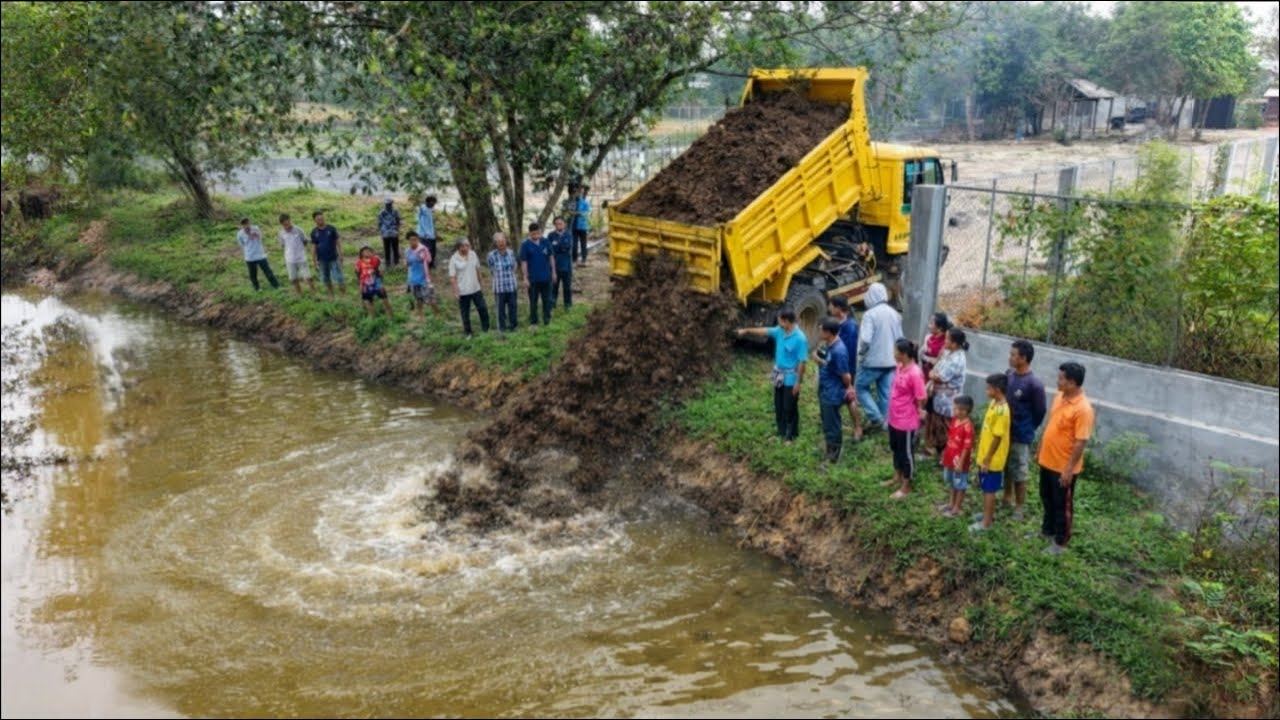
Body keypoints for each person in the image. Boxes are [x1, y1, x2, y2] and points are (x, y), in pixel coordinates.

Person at [1037, 362, 1094, 556]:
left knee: (1062, 504)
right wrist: (1040, 447)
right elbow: (1051, 424)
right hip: (1048, 459)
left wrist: (1069, 469)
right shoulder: (1059, 396)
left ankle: (1061, 542)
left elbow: (1080, 442)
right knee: (1046, 497)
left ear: (1072, 383)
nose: (1057, 380)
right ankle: (1047, 530)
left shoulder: (1083, 409)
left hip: (1063, 466)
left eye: (1061, 378)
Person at [734, 308, 808, 443]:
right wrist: (746, 331)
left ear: (786, 321)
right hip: (779, 375)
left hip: (791, 378)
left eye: (780, 320)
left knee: (789, 407)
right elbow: (763, 331)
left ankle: (791, 436)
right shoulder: (780, 331)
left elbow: (802, 363)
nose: (778, 323)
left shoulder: (800, 339)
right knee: (778, 405)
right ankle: (781, 432)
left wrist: (798, 382)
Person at [1003, 339, 1048, 519]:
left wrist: (1028, 427)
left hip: (1021, 435)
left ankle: (1019, 507)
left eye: (1013, 355)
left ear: (1023, 358)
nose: (1010, 357)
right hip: (1004, 432)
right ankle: (1006, 497)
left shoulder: (1034, 384)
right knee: (1005, 466)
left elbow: (1040, 411)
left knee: (1019, 471)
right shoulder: (1009, 375)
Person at [856, 282, 903, 433]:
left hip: (872, 361)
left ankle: (877, 419)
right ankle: (886, 423)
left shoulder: (870, 314)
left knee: (860, 387)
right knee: (885, 392)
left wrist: (861, 355)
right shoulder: (894, 313)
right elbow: (900, 338)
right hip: (891, 361)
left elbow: (865, 340)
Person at [884, 338, 926, 499]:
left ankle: (906, 485)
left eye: (896, 352)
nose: (894, 354)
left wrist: (918, 411)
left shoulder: (915, 373)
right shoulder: (900, 367)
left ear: (904, 354)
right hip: (894, 416)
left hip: (906, 420)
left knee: (906, 453)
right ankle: (897, 476)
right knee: (895, 448)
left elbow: (920, 397)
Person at [971, 373, 1010, 532]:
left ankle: (986, 523)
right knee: (985, 486)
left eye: (989, 388)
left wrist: (987, 459)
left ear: (998, 389)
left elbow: (997, 438)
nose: (986, 390)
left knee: (989, 489)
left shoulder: (1002, 411)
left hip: (992, 459)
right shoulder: (994, 403)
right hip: (985, 454)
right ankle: (986, 513)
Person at [814, 317, 853, 464]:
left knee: (832, 424)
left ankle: (833, 456)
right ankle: (829, 449)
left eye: (821, 329)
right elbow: (829, 364)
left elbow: (846, 376)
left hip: (833, 393)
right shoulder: (830, 345)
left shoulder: (839, 351)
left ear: (828, 332)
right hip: (826, 390)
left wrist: (847, 388)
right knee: (827, 421)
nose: (819, 331)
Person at [926, 327, 969, 456]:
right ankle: (936, 449)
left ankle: (947, 454)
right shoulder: (948, 352)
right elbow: (937, 365)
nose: (944, 341)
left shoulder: (957, 359)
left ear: (955, 343)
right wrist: (933, 373)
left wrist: (932, 375)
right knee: (936, 421)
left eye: (947, 339)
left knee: (946, 425)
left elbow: (940, 377)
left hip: (948, 398)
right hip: (940, 396)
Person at [828, 296, 862, 442]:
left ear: (838, 309)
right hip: (835, 367)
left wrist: (846, 371)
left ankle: (857, 428)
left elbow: (849, 351)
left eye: (831, 305)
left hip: (845, 368)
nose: (829, 308)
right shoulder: (840, 324)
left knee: (849, 397)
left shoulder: (850, 326)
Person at [920, 312, 952, 456]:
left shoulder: (946, 343)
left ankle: (942, 445)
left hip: (938, 384)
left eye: (932, 323)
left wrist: (927, 358)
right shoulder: (929, 338)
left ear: (939, 328)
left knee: (938, 415)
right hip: (927, 380)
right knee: (929, 412)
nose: (929, 325)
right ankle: (930, 443)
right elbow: (922, 356)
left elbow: (939, 362)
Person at [940, 395, 975, 518]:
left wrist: (960, 463)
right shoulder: (955, 420)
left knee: (960, 484)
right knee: (951, 482)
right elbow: (950, 438)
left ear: (968, 410)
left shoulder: (968, 427)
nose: (957, 412)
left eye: (961, 410)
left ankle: (957, 507)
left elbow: (966, 447)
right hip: (950, 458)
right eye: (956, 409)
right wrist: (945, 453)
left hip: (959, 462)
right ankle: (951, 503)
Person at [448, 238, 490, 338]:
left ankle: (486, 329)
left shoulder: (473, 254)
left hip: (475, 288)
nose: (466, 248)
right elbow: (452, 277)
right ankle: (468, 333)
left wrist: (481, 283)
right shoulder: (454, 259)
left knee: (482, 308)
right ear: (458, 247)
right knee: (465, 313)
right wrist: (456, 291)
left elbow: (478, 269)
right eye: (463, 246)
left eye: (467, 245)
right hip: (463, 291)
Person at [519, 222, 555, 327]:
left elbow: (551, 257)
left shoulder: (546, 242)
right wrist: (525, 277)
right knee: (533, 301)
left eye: (537, 233)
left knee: (547, 300)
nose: (536, 235)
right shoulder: (525, 245)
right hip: (533, 279)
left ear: (540, 231)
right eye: (533, 234)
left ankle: (547, 320)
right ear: (530, 233)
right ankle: (534, 322)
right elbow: (523, 262)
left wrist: (553, 272)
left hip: (546, 277)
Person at [405, 232, 442, 320]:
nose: (413, 242)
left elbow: (429, 260)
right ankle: (421, 316)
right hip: (413, 279)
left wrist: (422, 256)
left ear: (418, 240)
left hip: (424, 278)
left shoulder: (423, 249)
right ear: (408, 241)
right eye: (411, 240)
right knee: (418, 299)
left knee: (429, 297)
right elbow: (407, 264)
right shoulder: (407, 251)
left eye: (415, 239)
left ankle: (438, 314)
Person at [236, 217, 280, 291]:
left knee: (268, 271)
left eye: (247, 223)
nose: (247, 226)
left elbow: (261, 238)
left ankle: (276, 286)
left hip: (260, 255)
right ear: (242, 225)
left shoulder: (255, 228)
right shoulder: (240, 234)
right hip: (249, 257)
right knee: (253, 274)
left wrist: (256, 235)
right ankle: (257, 288)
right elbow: (241, 244)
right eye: (244, 224)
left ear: (249, 223)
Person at [487, 232, 519, 333]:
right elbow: (491, 269)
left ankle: (513, 327)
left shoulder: (511, 252)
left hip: (511, 285)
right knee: (500, 310)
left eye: (503, 241)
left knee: (513, 308)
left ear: (506, 241)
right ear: (495, 243)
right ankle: (501, 329)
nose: (501, 243)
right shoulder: (491, 255)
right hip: (499, 287)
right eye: (498, 241)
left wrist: (514, 271)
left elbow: (515, 265)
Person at [278, 213, 315, 296]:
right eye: (284, 224)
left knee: (307, 276)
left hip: (301, 258)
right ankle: (299, 293)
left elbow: (305, 241)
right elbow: (282, 245)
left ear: (290, 220)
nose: (287, 225)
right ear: (282, 224)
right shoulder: (281, 233)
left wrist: (301, 250)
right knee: (293, 278)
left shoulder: (298, 230)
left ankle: (313, 292)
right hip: (289, 259)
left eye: (288, 223)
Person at [310, 211, 344, 297]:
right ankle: (331, 295)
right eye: (318, 219)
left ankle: (343, 295)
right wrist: (314, 261)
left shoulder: (331, 228)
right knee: (326, 279)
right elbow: (314, 247)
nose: (321, 220)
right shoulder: (314, 232)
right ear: (315, 220)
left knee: (339, 278)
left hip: (333, 258)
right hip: (322, 260)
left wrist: (341, 254)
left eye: (322, 218)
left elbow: (338, 242)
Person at [354, 245, 394, 318]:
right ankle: (373, 317)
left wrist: (381, 277)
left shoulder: (375, 259)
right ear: (361, 253)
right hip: (365, 284)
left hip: (376, 282)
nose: (367, 252)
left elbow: (379, 269)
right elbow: (357, 273)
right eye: (365, 251)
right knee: (368, 302)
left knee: (384, 299)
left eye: (369, 251)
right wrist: (360, 284)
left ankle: (391, 316)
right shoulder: (359, 262)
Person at [547, 216, 574, 310]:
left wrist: (557, 245)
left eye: (560, 223)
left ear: (565, 224)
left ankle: (568, 305)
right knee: (554, 287)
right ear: (554, 225)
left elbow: (568, 247)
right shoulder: (550, 235)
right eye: (556, 224)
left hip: (566, 266)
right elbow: (550, 250)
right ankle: (552, 304)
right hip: (554, 266)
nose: (558, 225)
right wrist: (560, 246)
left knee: (567, 287)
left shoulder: (569, 234)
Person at [377, 197, 401, 267]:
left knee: (395, 248)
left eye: (390, 204)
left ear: (392, 204)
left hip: (394, 232)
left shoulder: (396, 211)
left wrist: (397, 229)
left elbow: (398, 221)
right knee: (386, 248)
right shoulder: (382, 213)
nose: (388, 206)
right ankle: (388, 262)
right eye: (387, 204)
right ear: (385, 204)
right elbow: (379, 223)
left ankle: (396, 262)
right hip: (386, 233)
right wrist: (381, 231)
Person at [416, 195, 438, 270]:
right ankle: (426, 264)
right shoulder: (422, 209)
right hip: (424, 234)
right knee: (426, 249)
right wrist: (425, 233)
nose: (433, 205)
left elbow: (432, 222)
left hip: (431, 233)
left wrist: (435, 232)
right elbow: (420, 222)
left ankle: (431, 263)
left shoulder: (431, 209)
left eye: (434, 203)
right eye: (432, 203)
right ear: (428, 202)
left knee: (433, 249)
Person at [571, 186, 590, 266]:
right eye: (577, 192)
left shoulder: (585, 202)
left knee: (583, 244)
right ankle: (574, 260)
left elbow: (587, 213)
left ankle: (584, 260)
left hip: (583, 226)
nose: (579, 194)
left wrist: (578, 213)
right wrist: (578, 213)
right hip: (574, 226)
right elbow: (570, 212)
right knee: (574, 244)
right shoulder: (573, 202)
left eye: (581, 192)